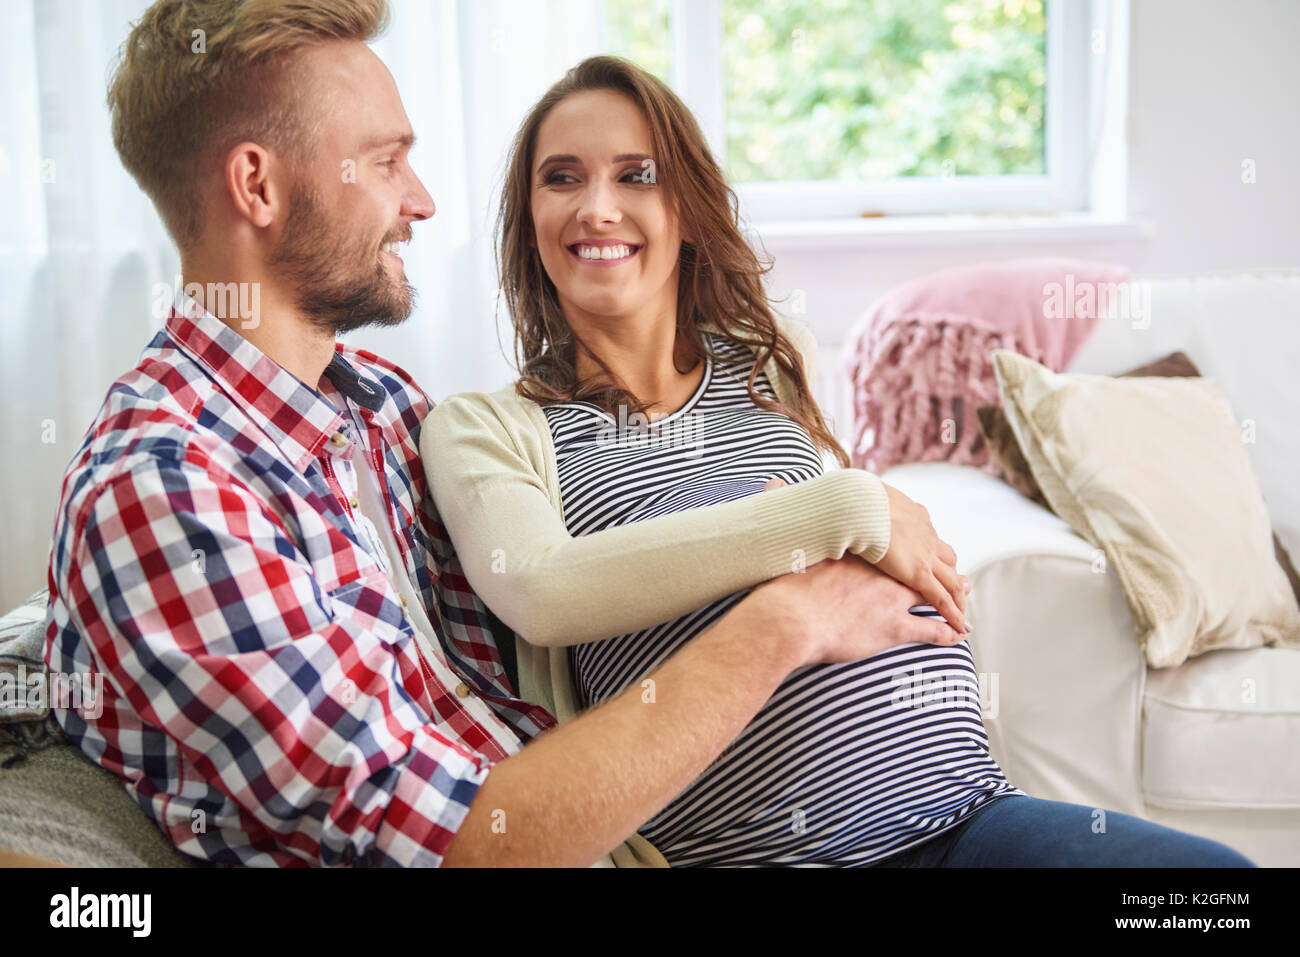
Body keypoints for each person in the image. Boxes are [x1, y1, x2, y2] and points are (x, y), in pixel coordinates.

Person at [43, 0, 969, 868]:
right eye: (387, 159)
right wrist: (791, 616)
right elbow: (463, 844)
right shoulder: (164, 486)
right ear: (258, 185)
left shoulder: (384, 413)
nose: (423, 201)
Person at [421, 55, 1255, 868]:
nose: (597, 207)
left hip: (969, 815)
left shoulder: (773, 361)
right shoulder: (490, 426)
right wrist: (839, 511)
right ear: (527, 218)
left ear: (687, 209)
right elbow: (544, 587)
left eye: (636, 175)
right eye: (561, 178)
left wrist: (845, 531)